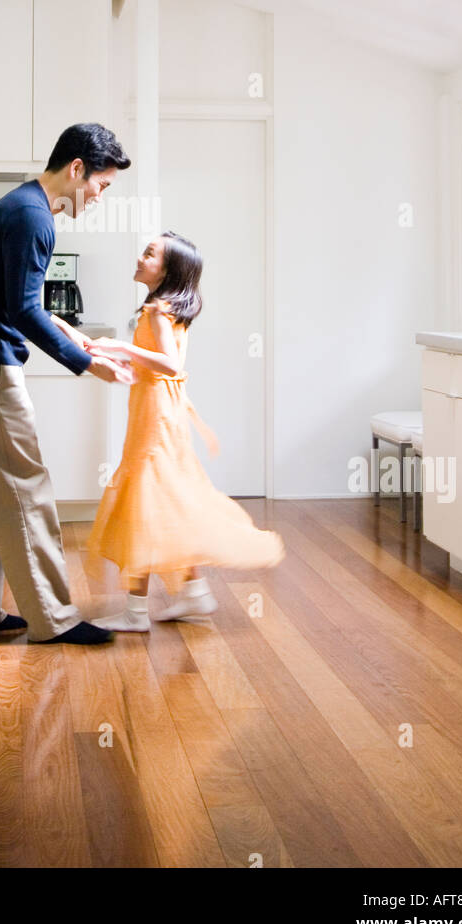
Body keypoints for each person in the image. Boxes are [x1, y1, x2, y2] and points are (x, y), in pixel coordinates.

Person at [0, 123, 134, 646]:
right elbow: (23, 309)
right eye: (101, 185)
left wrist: (72, 332)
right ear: (76, 170)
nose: (99, 195)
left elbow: (15, 297)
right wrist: (87, 363)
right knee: (27, 492)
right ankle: (55, 619)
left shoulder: (22, 205)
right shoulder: (33, 218)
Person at [85, 230, 285, 631]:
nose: (140, 259)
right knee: (166, 497)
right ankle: (195, 596)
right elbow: (160, 363)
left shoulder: (157, 310)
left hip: (156, 414)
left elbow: (171, 364)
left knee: (144, 500)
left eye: (149, 254)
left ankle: (135, 611)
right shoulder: (165, 308)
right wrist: (110, 350)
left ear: (168, 269)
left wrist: (119, 348)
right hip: (162, 411)